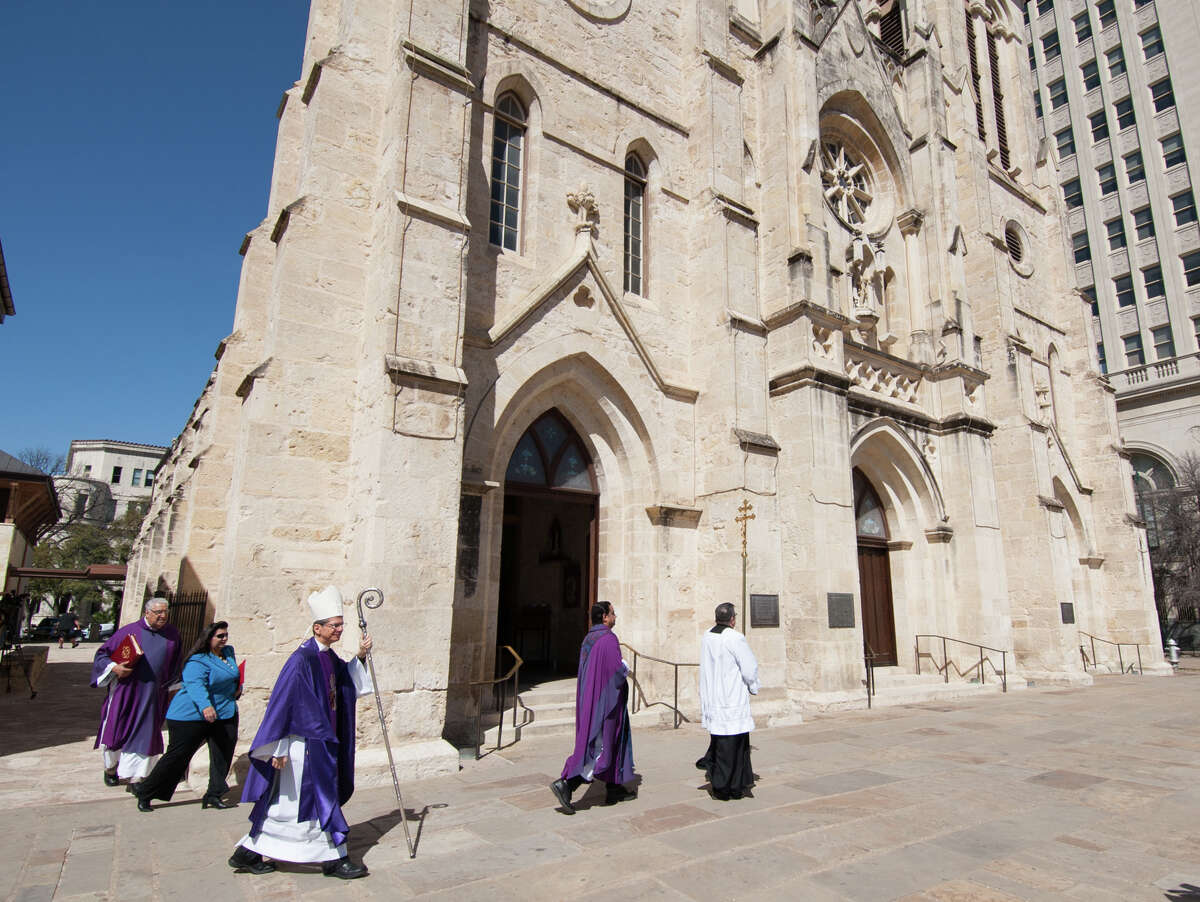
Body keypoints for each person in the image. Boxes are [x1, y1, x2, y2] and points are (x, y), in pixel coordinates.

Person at [227, 586, 373, 879]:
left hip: (321, 744)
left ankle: (248, 851)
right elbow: (285, 706)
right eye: (334, 625)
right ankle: (333, 860)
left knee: (290, 805)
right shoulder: (300, 660)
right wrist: (278, 749)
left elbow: (344, 683)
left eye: (341, 624)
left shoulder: (328, 657)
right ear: (317, 628)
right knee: (309, 801)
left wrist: (360, 656)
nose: (340, 630)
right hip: (300, 746)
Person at [133, 621, 240, 812]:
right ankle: (146, 791)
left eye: (226, 635)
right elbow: (195, 684)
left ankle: (214, 794)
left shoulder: (228, 653)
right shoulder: (198, 660)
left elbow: (232, 675)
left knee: (222, 754)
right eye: (220, 636)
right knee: (178, 756)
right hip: (191, 715)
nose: (224, 639)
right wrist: (206, 706)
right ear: (209, 638)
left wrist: (237, 688)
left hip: (225, 711)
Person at [550, 601, 636, 814]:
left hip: (593, 699)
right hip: (606, 703)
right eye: (613, 613)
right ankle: (567, 784)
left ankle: (614, 788)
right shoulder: (608, 639)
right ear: (605, 617)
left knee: (612, 742)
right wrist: (625, 667)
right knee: (601, 746)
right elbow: (616, 671)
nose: (615, 617)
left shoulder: (589, 638)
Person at [91, 598, 182, 789]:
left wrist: (172, 689)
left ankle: (137, 777)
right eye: (158, 612)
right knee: (117, 732)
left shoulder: (173, 635)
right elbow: (102, 655)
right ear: (147, 612)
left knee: (145, 735)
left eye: (165, 612)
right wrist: (115, 668)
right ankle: (111, 768)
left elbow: (175, 665)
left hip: (153, 695)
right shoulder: (129, 631)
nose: (162, 616)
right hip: (126, 692)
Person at [696, 602, 759, 801]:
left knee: (721, 743)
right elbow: (749, 667)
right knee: (733, 746)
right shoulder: (735, 637)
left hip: (714, 696)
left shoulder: (708, 635)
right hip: (731, 698)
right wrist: (754, 685)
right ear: (732, 619)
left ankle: (728, 782)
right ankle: (729, 786)